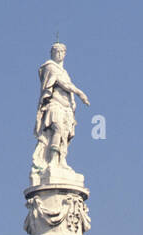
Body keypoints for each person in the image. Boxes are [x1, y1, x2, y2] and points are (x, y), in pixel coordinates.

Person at [31, 43, 89, 180]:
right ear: (51, 53)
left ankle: (61, 160)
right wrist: (80, 93)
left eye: (61, 51)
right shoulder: (49, 67)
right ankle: (52, 159)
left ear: (65, 54)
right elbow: (63, 84)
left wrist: (73, 102)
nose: (58, 53)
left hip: (66, 108)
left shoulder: (65, 72)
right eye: (56, 51)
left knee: (64, 134)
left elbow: (67, 86)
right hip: (54, 104)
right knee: (57, 129)